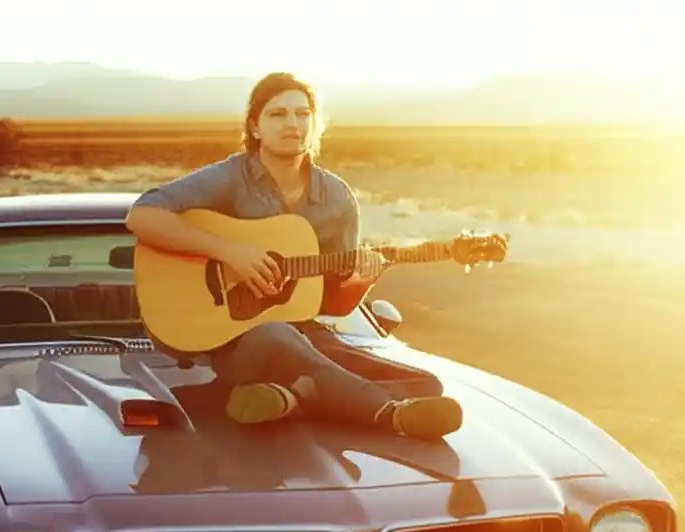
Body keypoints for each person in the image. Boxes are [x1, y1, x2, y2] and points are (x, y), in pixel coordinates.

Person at [124, 71, 463, 441]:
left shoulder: (335, 198)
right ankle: (389, 416)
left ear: (316, 125)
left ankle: (293, 397)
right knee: (274, 335)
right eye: (278, 114)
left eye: (302, 114)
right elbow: (142, 214)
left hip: (303, 336)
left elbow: (330, 306)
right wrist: (228, 251)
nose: (292, 124)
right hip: (233, 346)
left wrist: (359, 283)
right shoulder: (230, 178)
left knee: (423, 383)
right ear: (255, 127)